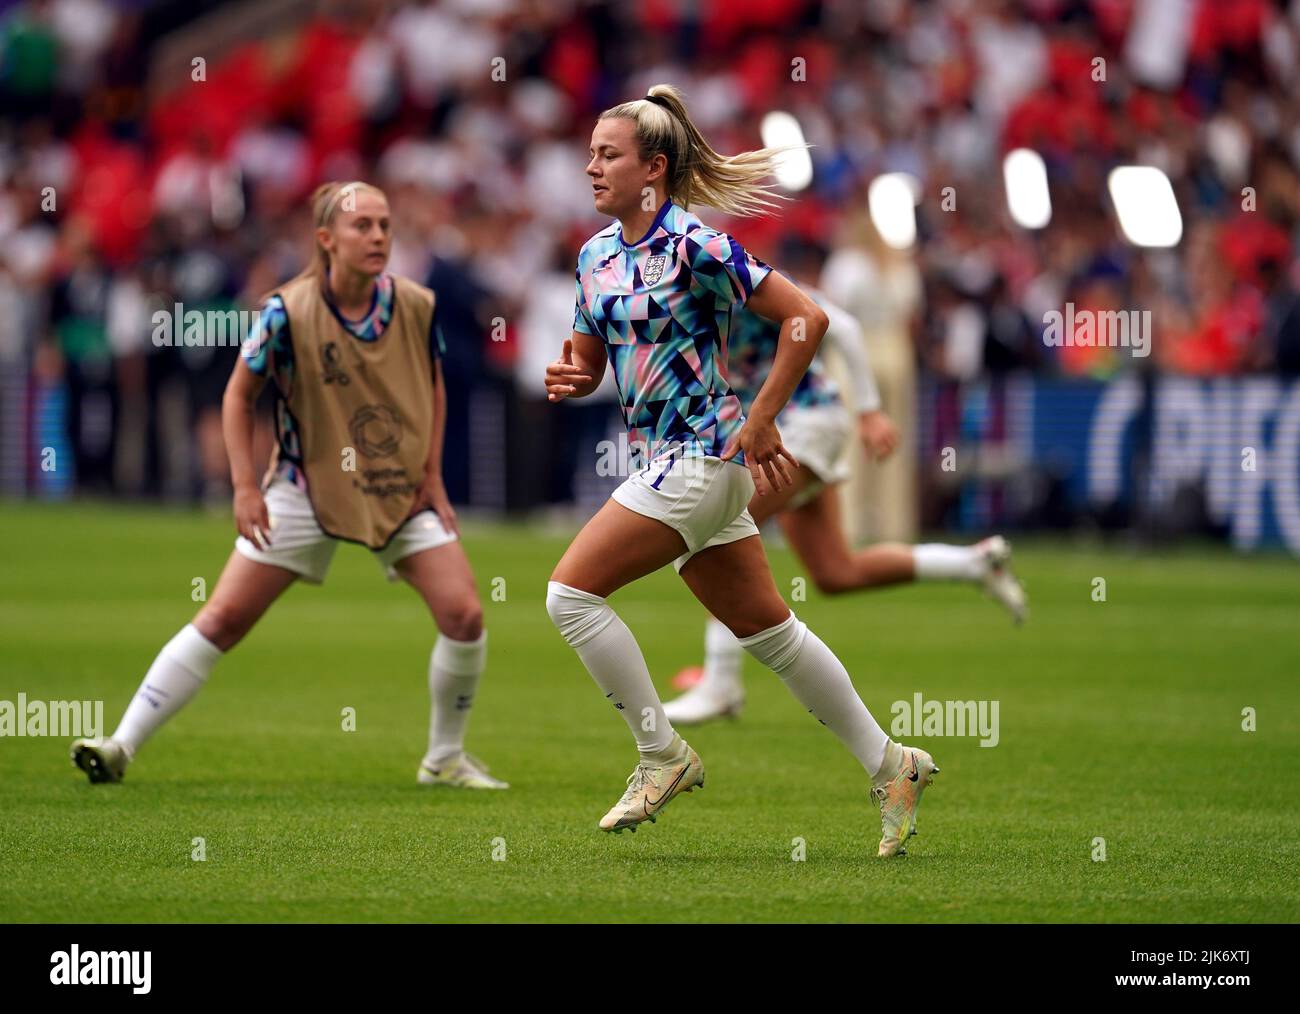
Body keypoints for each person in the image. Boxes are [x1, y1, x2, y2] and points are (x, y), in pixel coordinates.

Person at [544, 85, 935, 857]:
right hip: (677, 464)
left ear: (653, 168)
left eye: (607, 154)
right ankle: (894, 764)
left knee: (570, 596)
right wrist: (575, 380)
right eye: (589, 152)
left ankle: (662, 754)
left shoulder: (696, 243)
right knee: (770, 632)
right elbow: (589, 358)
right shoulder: (593, 256)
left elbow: (807, 317)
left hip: (703, 455)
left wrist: (761, 417)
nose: (590, 166)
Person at [71, 181, 505, 791]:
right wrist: (245, 487)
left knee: (464, 614)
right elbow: (237, 395)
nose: (379, 236)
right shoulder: (286, 311)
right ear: (326, 240)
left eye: (385, 225)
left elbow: (433, 384)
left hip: (393, 486)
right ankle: (120, 745)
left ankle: (443, 759)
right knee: (223, 617)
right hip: (306, 489)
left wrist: (431, 475)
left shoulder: (415, 304)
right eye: (363, 227)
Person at [665, 277, 1027, 724]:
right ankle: (974, 563)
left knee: (716, 526)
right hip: (785, 431)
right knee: (836, 572)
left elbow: (845, 328)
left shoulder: (734, 281)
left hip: (805, 424)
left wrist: (870, 411)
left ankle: (721, 684)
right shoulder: (680, 308)